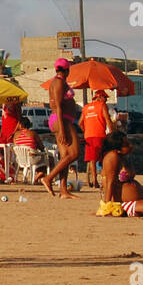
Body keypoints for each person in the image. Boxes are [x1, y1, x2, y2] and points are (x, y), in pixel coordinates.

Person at [40, 58, 83, 198]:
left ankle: (63, 190)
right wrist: (63, 130)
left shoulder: (59, 82)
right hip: (61, 120)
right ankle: (49, 178)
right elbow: (58, 105)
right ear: (66, 70)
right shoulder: (58, 83)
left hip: (61, 120)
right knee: (75, 153)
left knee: (65, 156)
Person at [80, 90, 114, 189]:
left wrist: (86, 131)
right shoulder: (102, 106)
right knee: (103, 158)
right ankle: (103, 180)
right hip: (99, 135)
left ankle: (94, 180)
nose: (106, 100)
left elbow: (80, 122)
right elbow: (108, 120)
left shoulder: (86, 107)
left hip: (88, 136)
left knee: (92, 159)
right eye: (105, 98)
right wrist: (112, 134)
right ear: (100, 97)